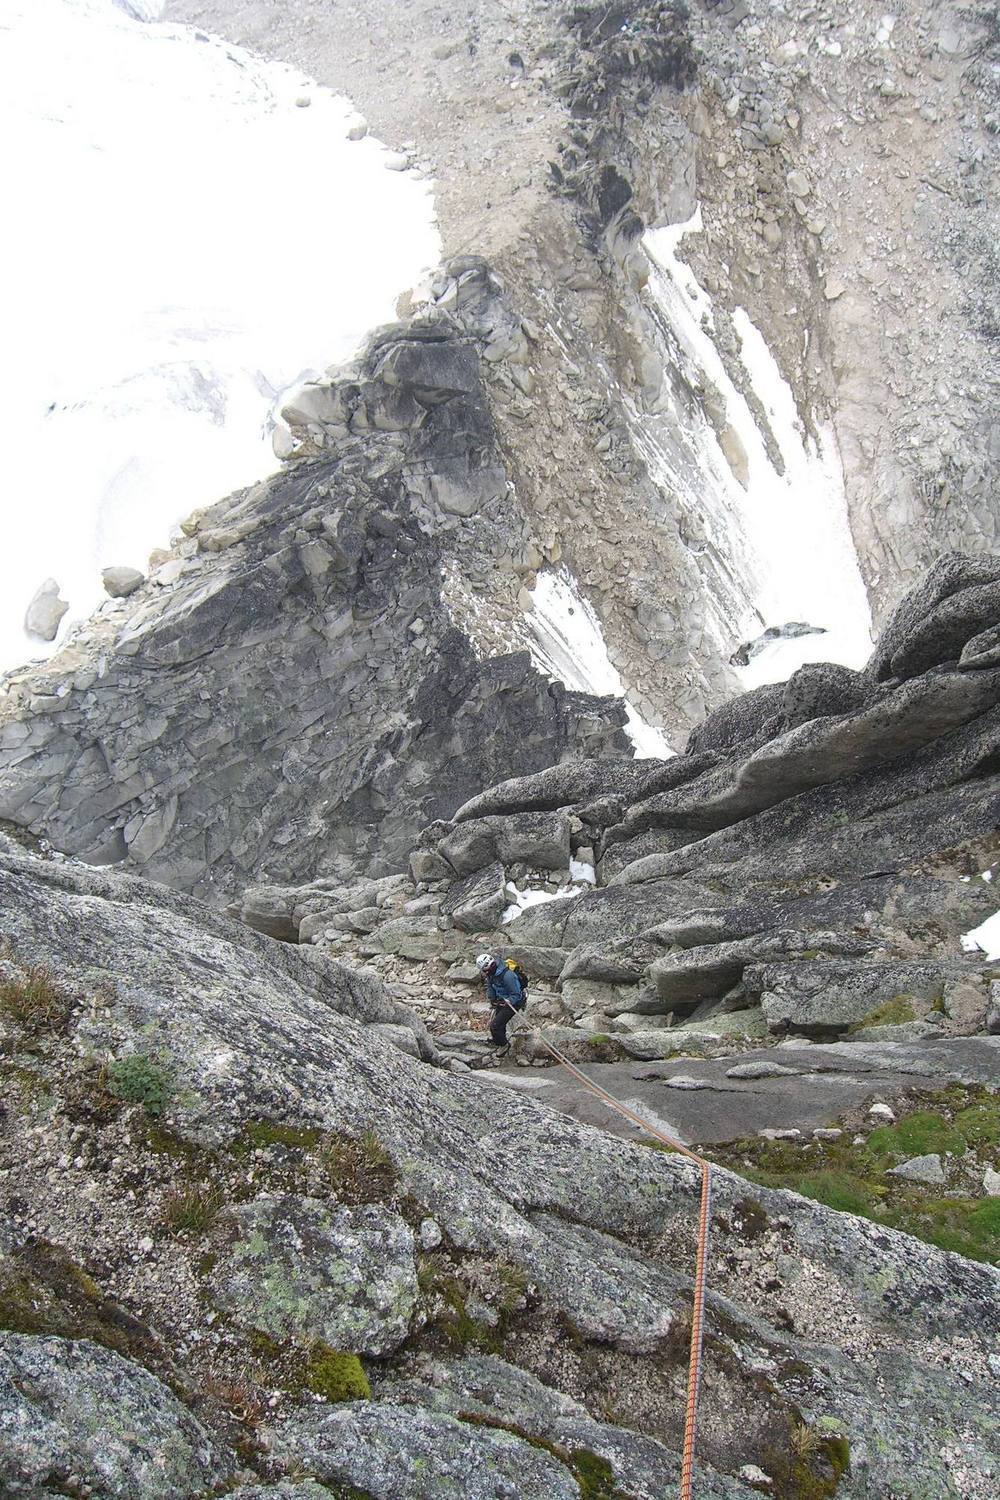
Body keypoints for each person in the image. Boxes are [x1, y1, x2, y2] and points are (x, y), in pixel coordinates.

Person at [476, 952, 526, 1050]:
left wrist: (509, 1001)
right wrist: (492, 999)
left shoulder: (508, 976)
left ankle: (503, 1045)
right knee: (499, 1024)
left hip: (514, 1002)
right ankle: (498, 1041)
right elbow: (491, 987)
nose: (485, 973)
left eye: (485, 970)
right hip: (502, 1000)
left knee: (495, 1026)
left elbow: (516, 994)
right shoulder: (491, 974)